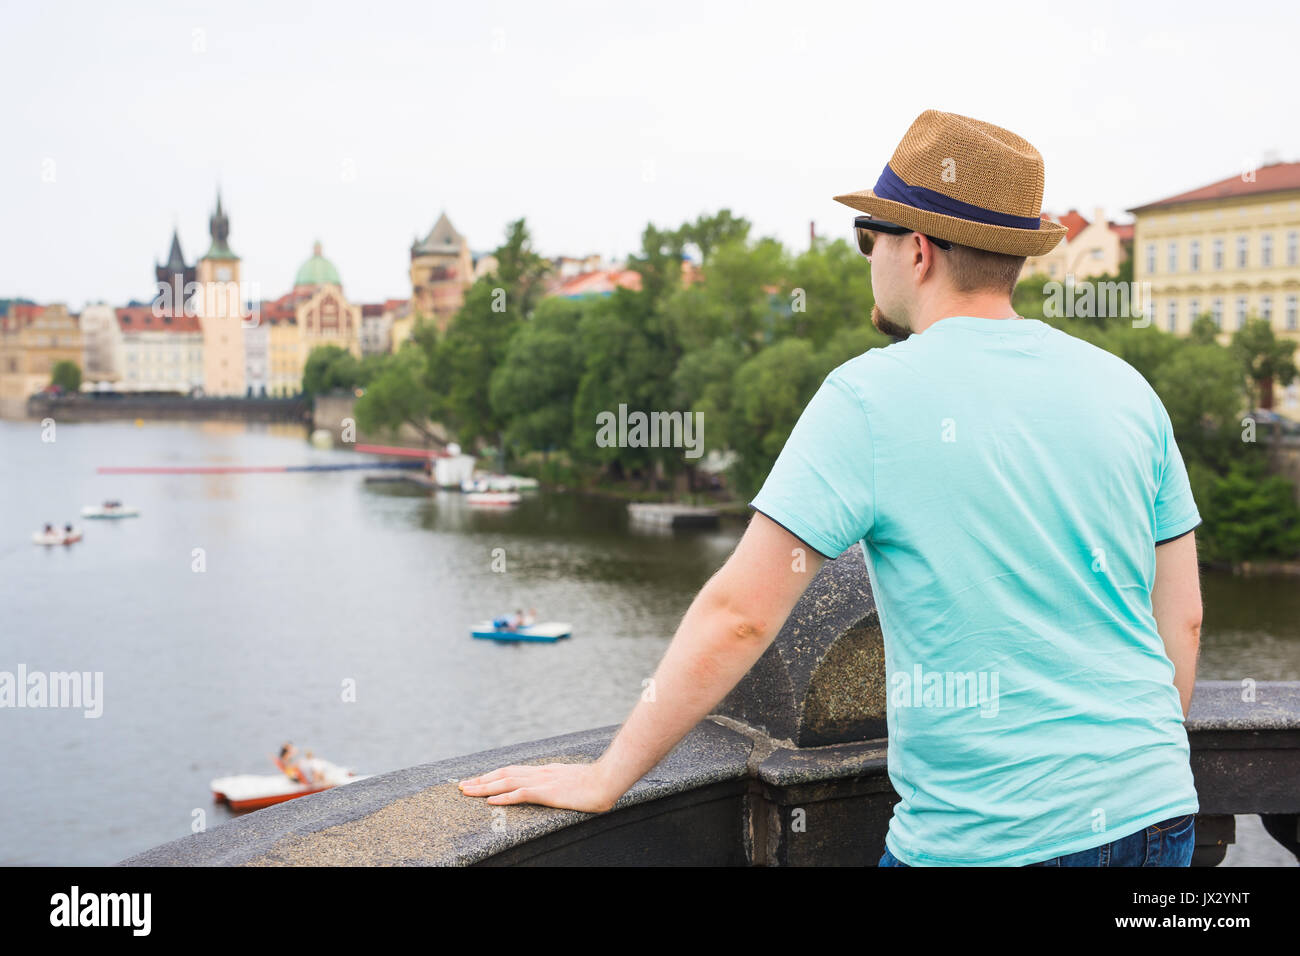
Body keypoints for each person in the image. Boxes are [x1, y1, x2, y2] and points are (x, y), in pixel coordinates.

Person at [459, 110, 1203, 869]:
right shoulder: (1127, 391)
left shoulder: (871, 398)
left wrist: (605, 778)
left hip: (992, 842)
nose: (865, 259)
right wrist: (1129, 781)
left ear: (916, 250)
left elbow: (742, 617)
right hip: (1159, 814)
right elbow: (1185, 620)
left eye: (866, 237)